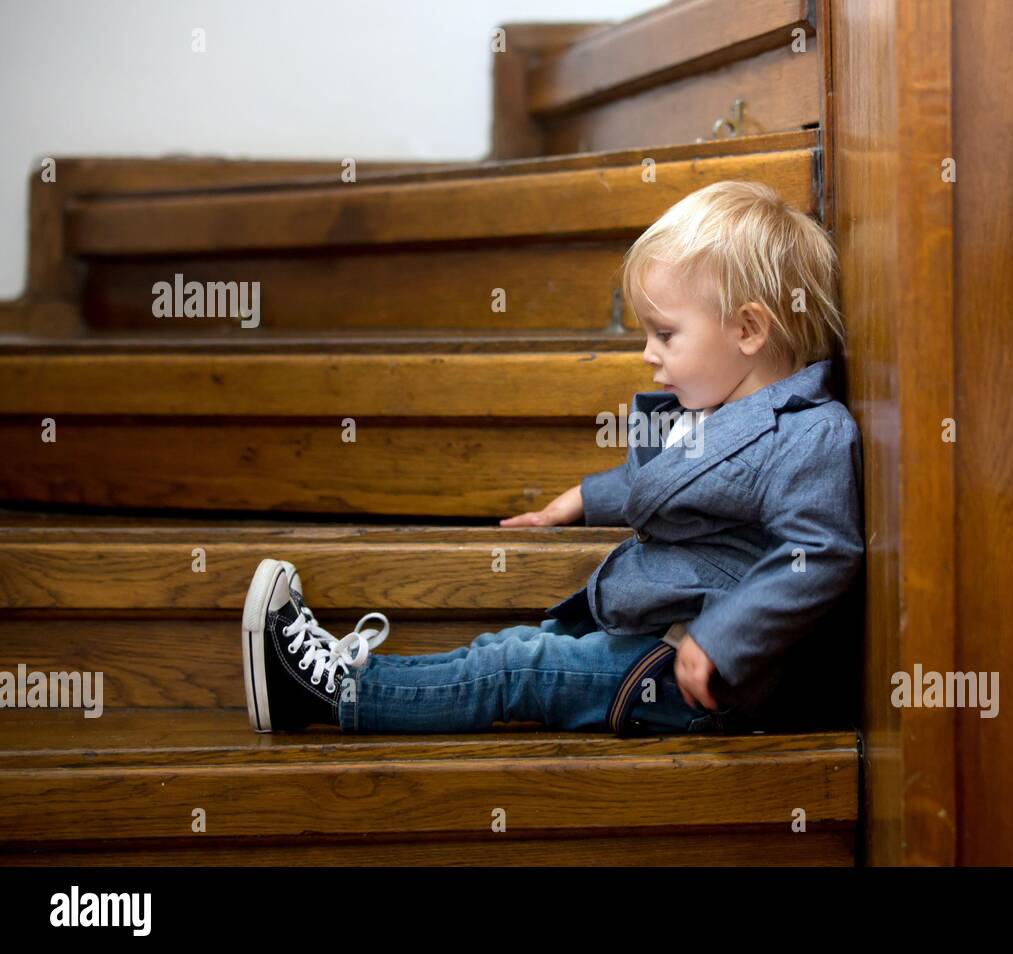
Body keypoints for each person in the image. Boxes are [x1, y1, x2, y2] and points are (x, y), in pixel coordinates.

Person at [241, 180, 864, 736]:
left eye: (666, 334)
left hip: (696, 677)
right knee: (510, 647)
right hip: (654, 630)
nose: (648, 353)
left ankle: (338, 696)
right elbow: (672, 482)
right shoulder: (713, 412)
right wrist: (582, 500)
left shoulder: (810, 432)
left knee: (518, 669)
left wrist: (724, 639)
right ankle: (353, 680)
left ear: (749, 330)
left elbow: (819, 554)